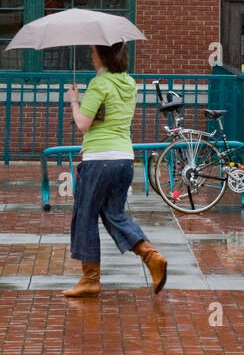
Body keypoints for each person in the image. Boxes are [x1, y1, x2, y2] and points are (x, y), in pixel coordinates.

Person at [63, 40, 167, 298]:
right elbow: (107, 120)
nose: (90, 54)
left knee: (85, 216)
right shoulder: (129, 84)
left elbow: (83, 124)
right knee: (114, 215)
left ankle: (90, 279)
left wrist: (75, 101)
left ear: (101, 54)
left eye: (92, 50)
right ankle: (151, 256)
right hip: (123, 159)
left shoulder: (99, 84)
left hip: (99, 162)